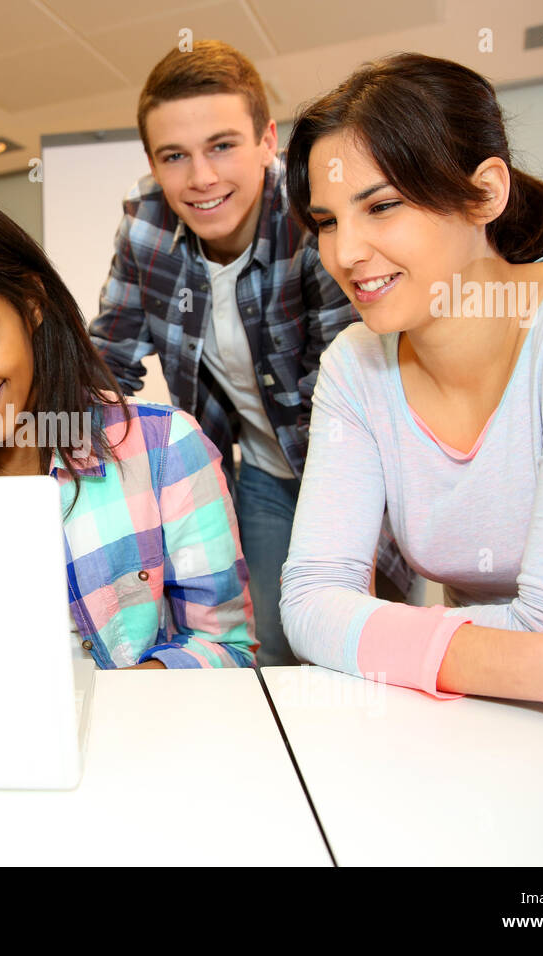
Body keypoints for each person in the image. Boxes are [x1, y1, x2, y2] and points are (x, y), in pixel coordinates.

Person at [279, 53, 543, 719]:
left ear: (485, 193)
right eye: (326, 221)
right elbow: (308, 601)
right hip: (488, 713)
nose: (344, 253)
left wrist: (383, 639)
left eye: (381, 206)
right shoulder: (356, 363)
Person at [0, 189, 256, 669]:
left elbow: (228, 648)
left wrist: (119, 700)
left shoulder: (164, 449)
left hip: (134, 733)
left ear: (32, 304)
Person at [88, 40, 401, 668]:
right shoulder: (146, 226)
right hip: (262, 470)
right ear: (152, 162)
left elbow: (356, 375)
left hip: (363, 461)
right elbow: (108, 358)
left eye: (223, 145)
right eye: (175, 156)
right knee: (278, 648)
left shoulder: (316, 216)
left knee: (370, 647)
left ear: (267, 141)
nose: (201, 178)